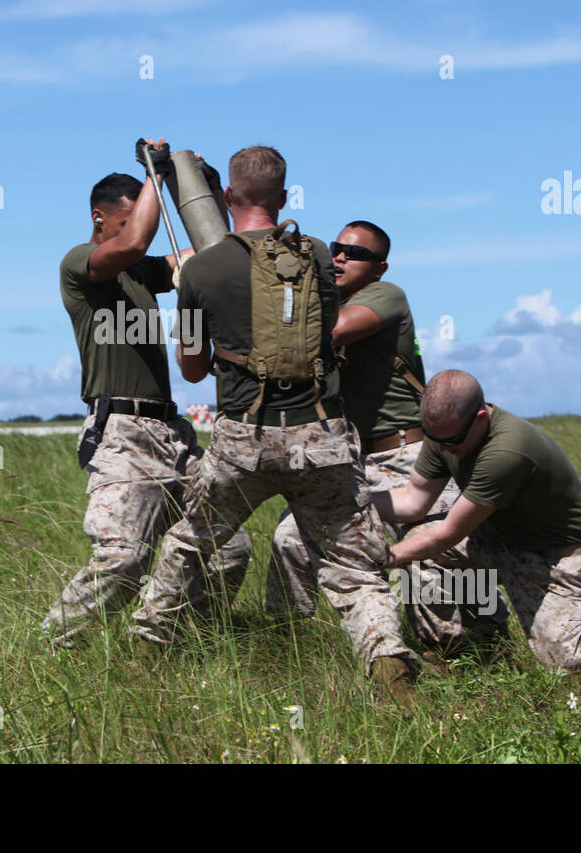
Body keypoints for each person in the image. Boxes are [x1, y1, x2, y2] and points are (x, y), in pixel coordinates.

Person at [130, 145, 422, 705]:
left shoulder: (202, 270)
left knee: (189, 543)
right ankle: (388, 662)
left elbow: (191, 370)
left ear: (230, 197)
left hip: (243, 440)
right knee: (354, 566)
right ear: (285, 199)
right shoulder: (316, 255)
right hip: (323, 438)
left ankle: (146, 655)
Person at [264, 221, 510, 659]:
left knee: (443, 555)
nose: (340, 257)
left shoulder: (385, 295)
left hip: (410, 454)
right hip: (352, 460)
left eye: (355, 254)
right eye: (336, 249)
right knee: (290, 538)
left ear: (379, 267)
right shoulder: (316, 306)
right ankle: (287, 644)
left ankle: (479, 643)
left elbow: (334, 331)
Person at [41, 148, 251, 649]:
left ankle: (171, 641)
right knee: (124, 557)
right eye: (131, 213)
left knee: (227, 546)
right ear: (100, 218)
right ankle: (53, 647)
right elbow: (136, 241)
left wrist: (198, 181)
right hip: (121, 431)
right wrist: (154, 175)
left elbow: (212, 251)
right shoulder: (82, 265)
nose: (143, 223)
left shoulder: (143, 274)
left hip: (170, 432)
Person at [371, 369, 581, 675]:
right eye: (433, 438)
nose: (443, 448)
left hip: (557, 558)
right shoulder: (446, 432)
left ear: (481, 418)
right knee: (420, 542)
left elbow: (450, 532)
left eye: (452, 441)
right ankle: (454, 653)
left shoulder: (507, 451)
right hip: (500, 540)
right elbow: (414, 501)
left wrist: (387, 557)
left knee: (573, 667)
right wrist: (348, 505)